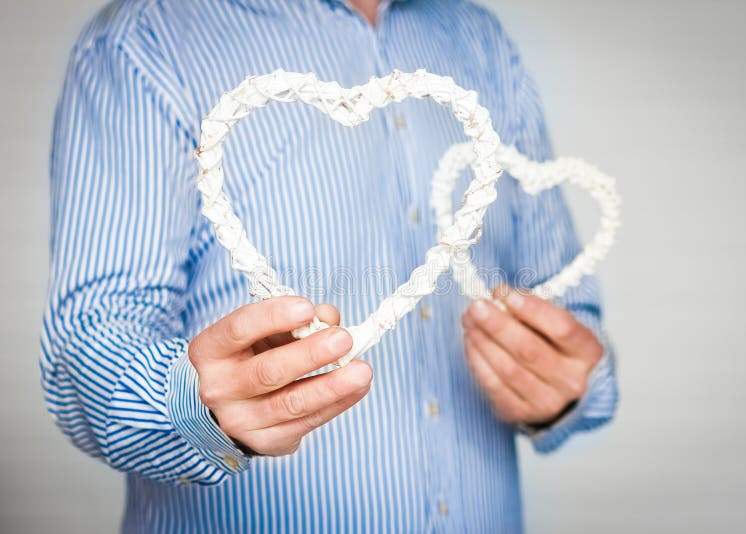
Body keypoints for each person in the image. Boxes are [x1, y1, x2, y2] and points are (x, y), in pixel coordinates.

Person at [40, 0, 618, 532]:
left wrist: (569, 387)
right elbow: (83, 353)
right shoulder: (145, 41)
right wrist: (193, 405)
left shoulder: (481, 39)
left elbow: (569, 307)